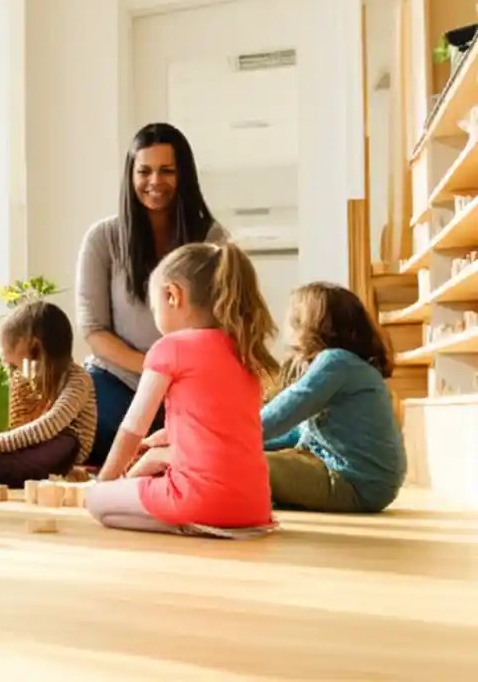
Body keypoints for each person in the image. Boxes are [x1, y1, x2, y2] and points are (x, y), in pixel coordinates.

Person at [87, 242, 280, 538]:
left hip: (197, 501)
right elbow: (220, 426)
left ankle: (190, 522)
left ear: (172, 295)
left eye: (154, 308)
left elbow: (132, 428)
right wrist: (162, 447)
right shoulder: (244, 352)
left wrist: (104, 482)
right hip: (254, 509)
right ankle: (195, 517)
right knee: (143, 480)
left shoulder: (170, 347)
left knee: (97, 502)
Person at [76, 122, 227, 466]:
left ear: (183, 175)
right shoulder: (102, 239)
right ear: (131, 176)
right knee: (103, 433)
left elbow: (222, 322)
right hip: (117, 379)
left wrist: (175, 375)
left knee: (200, 446)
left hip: (188, 382)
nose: (154, 181)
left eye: (167, 171)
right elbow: (94, 330)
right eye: (144, 171)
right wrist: (155, 369)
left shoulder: (212, 239)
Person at [262, 283, 406, 513]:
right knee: (245, 457)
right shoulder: (344, 364)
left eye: (292, 317)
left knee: (240, 465)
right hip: (363, 480)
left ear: (310, 324)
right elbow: (298, 431)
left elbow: (285, 411)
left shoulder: (336, 362)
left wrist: (232, 435)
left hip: (356, 482)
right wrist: (246, 441)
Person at [0, 300, 96, 487]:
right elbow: (20, 430)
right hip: (32, 446)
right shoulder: (25, 378)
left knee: (66, 441)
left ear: (35, 349)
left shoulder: (78, 380)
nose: (14, 371)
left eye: (14, 365)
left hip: (64, 449)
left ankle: (14, 470)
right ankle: (6, 469)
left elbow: (47, 427)